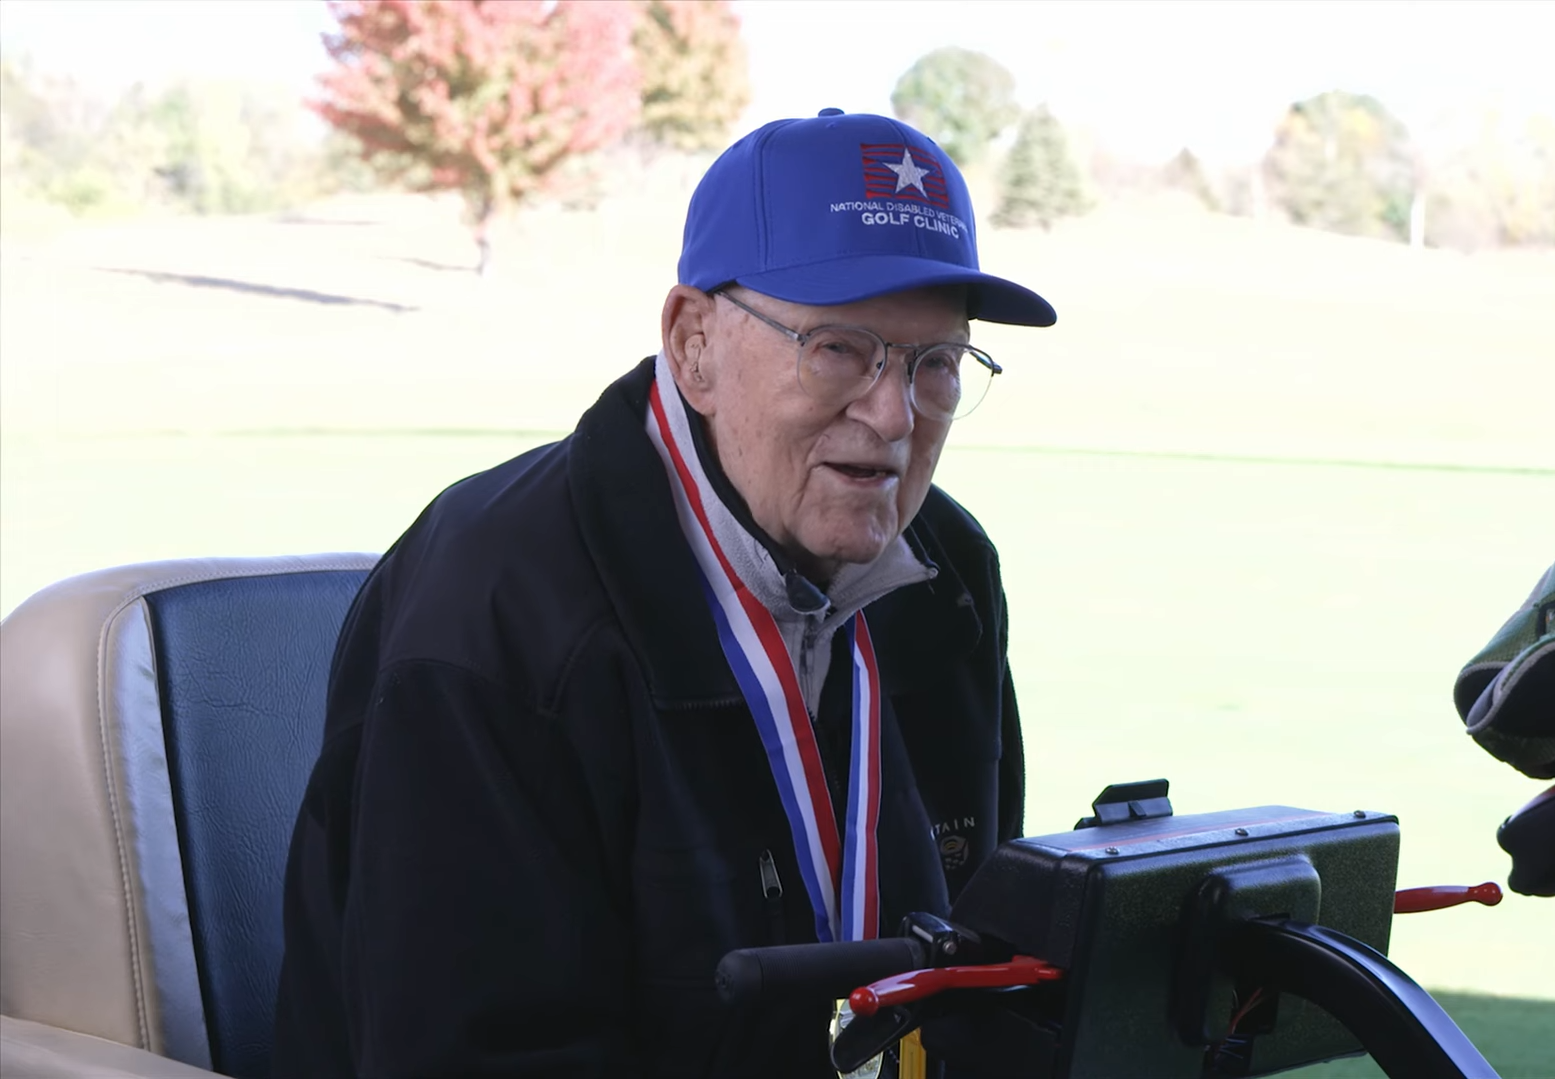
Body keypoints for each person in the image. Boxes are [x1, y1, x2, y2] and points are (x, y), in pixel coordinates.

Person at [272, 109, 1056, 1077]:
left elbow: (977, 966)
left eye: (936, 364)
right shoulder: (497, 610)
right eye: (840, 348)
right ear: (693, 344)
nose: (894, 413)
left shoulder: (947, 574)